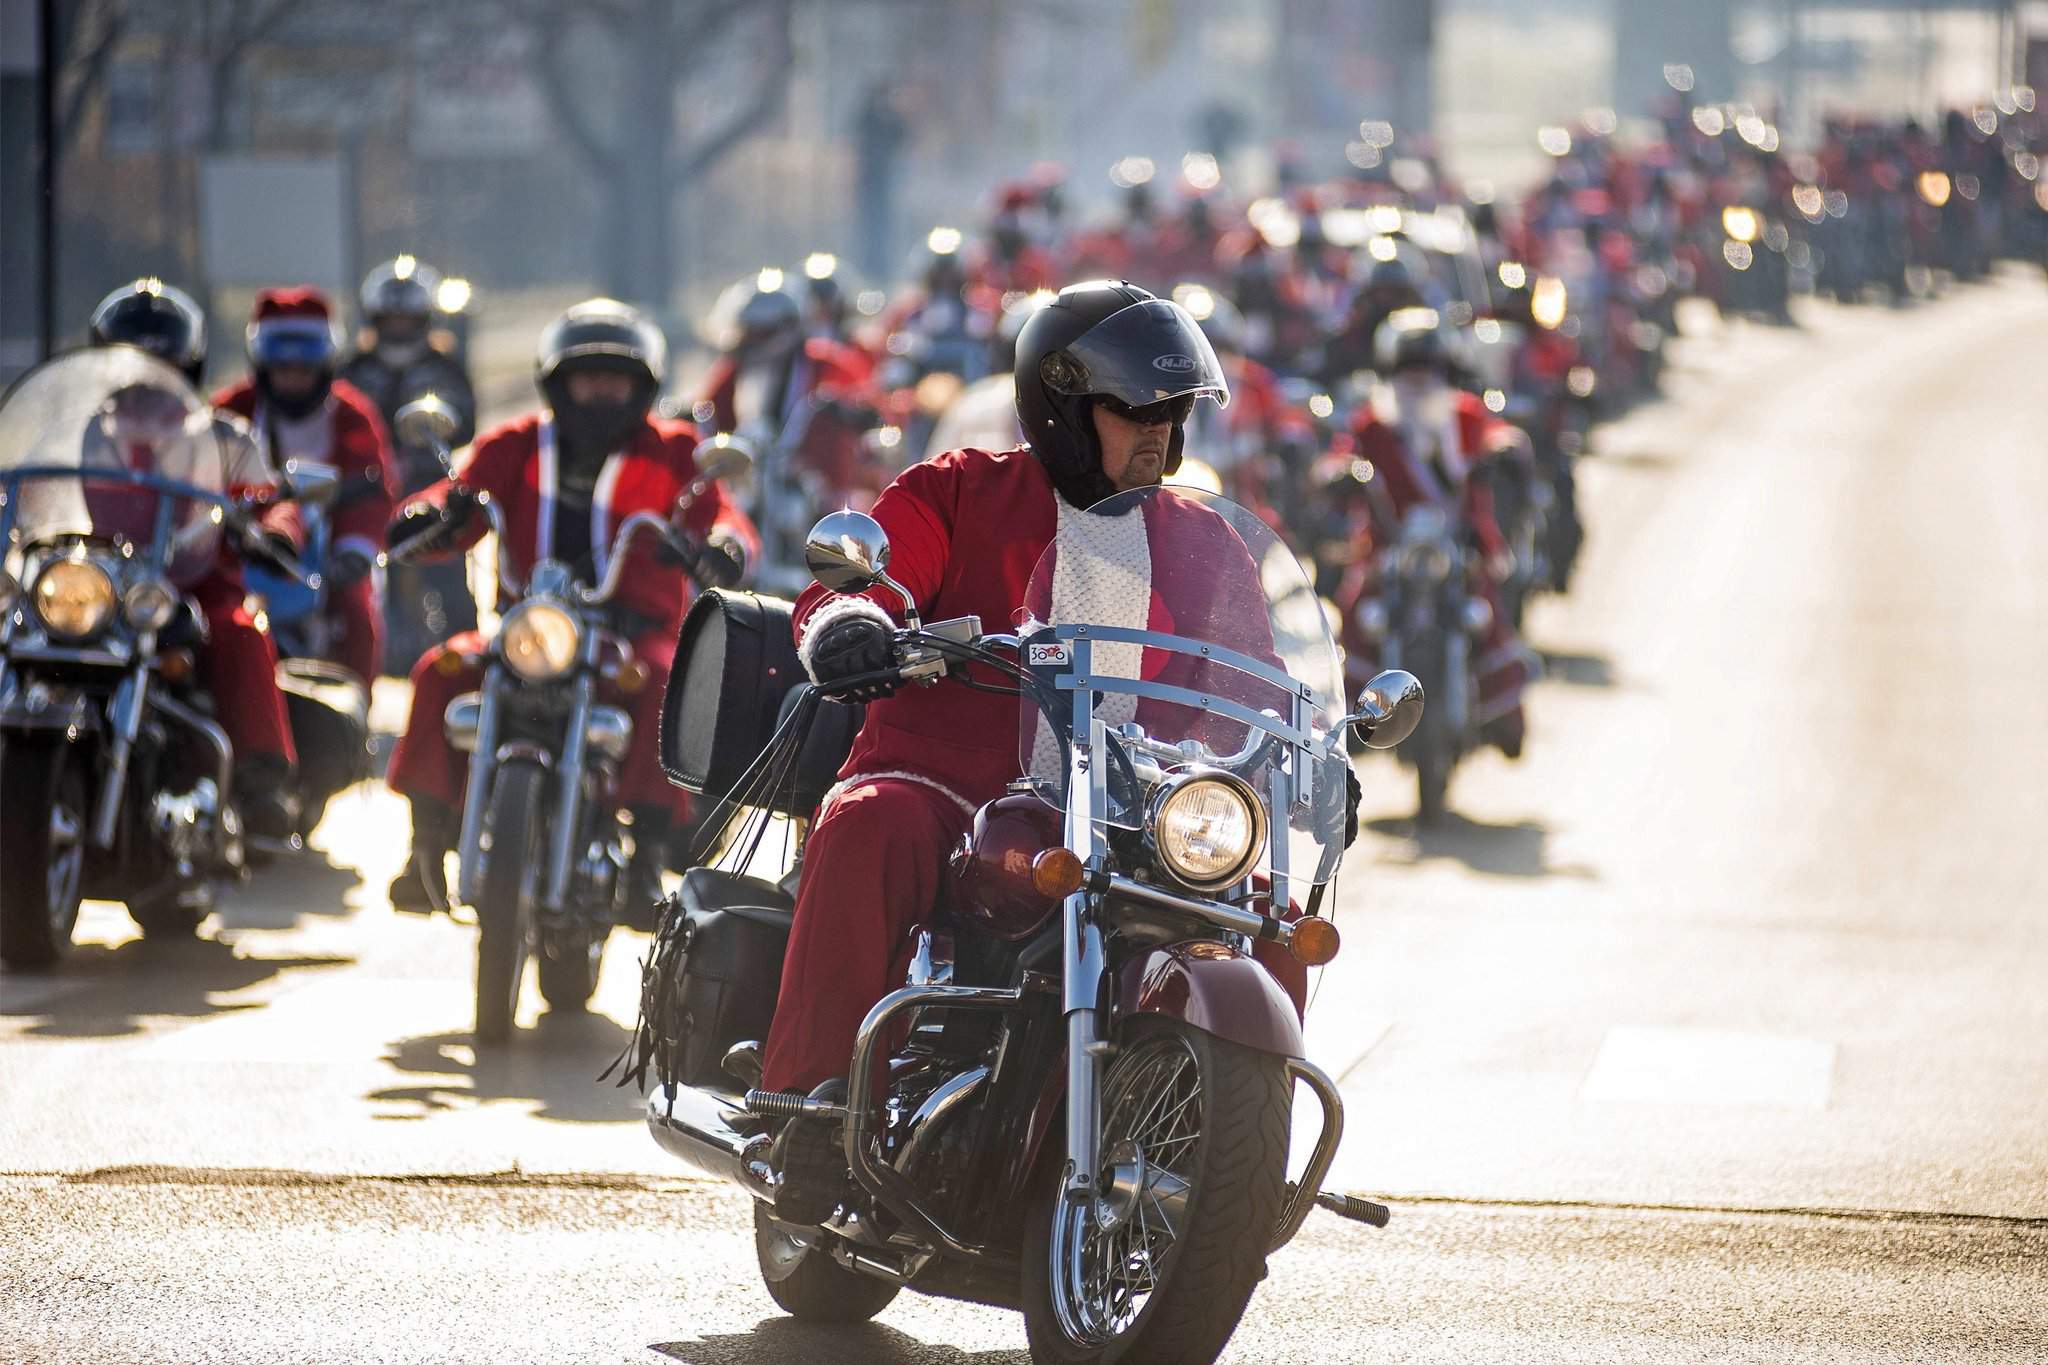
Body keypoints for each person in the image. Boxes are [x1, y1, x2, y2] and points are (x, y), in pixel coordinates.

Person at [754, 281, 1348, 1221]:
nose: (1158, 432)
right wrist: (851, 621)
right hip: (949, 779)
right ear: (1064, 412)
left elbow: (1254, 681)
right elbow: (868, 581)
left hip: (1131, 807)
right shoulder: (955, 488)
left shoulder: (1203, 541)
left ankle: (1230, 1157)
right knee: (869, 824)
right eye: (1132, 409)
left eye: (1172, 410)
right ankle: (814, 1112)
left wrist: (1317, 752)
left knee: (1266, 914)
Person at [383, 299, 759, 915]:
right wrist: (429, 513)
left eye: (617, 379)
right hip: (527, 629)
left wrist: (722, 545)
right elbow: (461, 496)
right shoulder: (516, 443)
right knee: (441, 669)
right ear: (557, 383)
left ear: (643, 387)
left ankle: (644, 858)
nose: (602, 392)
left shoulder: (673, 451)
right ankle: (425, 841)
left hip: (632, 633)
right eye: (587, 377)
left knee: (668, 682)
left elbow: (722, 514)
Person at [88, 279, 303, 840]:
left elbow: (270, 501)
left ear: (188, 365)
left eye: (158, 363)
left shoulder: (225, 438)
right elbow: (34, 493)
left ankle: (260, 782)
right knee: (23, 633)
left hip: (196, 578)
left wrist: (274, 532)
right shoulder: (78, 436)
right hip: (94, 582)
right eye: (129, 362)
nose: (144, 378)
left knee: (240, 628)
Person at [1341, 308, 1530, 755]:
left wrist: (1506, 448)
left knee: (1491, 613)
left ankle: (1504, 717)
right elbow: (1341, 453)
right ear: (1389, 372)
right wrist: (1335, 471)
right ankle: (1348, 719)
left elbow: (1498, 434)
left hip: (1458, 544)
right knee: (1352, 610)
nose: (1419, 379)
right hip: (1388, 549)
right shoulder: (1371, 424)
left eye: (1428, 369)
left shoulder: (1466, 415)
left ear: (1446, 371)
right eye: (1408, 369)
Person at [214, 287, 396, 685]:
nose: (293, 379)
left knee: (356, 611)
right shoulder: (230, 412)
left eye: (303, 370)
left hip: (326, 557)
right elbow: (200, 478)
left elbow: (374, 491)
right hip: (241, 549)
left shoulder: (354, 416)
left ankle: (354, 713)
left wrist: (353, 552)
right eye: (282, 369)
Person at [340, 256, 481, 672]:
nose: (399, 326)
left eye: (408, 318)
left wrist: (440, 422)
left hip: (428, 488)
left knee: (451, 580)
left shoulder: (445, 366)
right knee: (348, 581)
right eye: (390, 318)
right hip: (366, 488)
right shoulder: (354, 369)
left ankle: (467, 661)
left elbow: (467, 423)